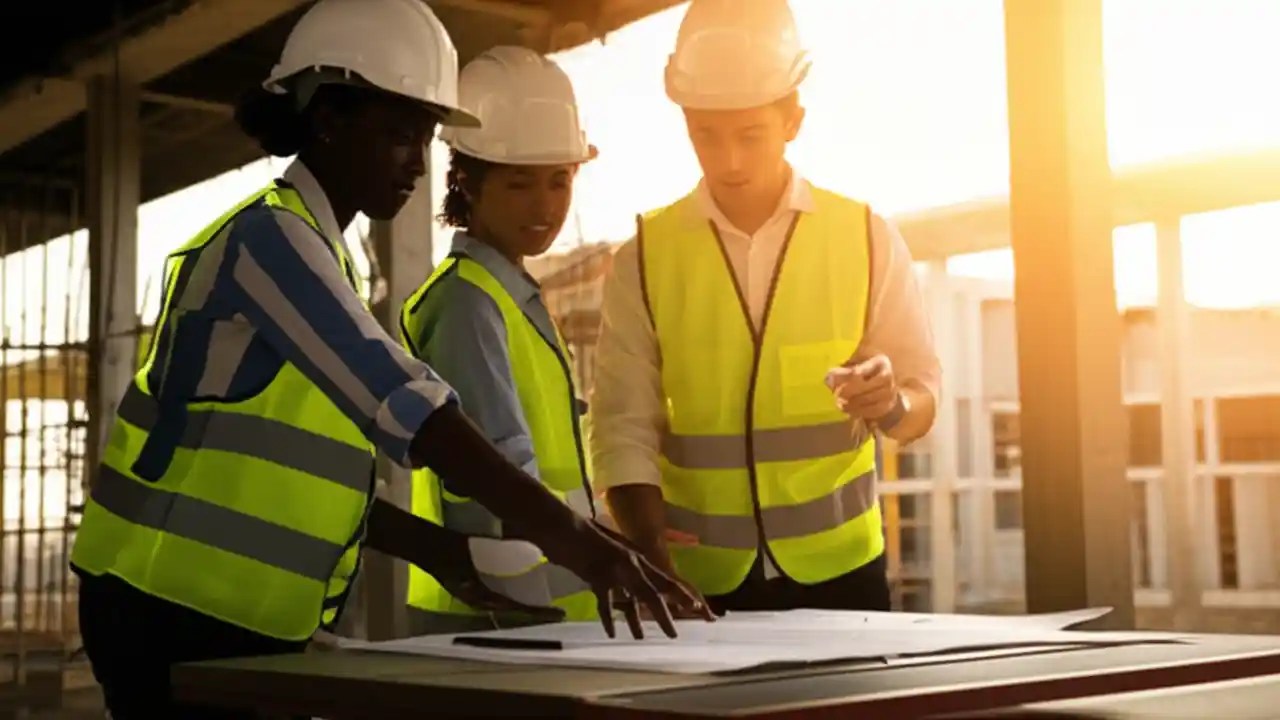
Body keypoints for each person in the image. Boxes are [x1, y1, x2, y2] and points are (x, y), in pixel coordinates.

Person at [68, 2, 707, 717]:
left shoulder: (319, 251)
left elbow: (296, 473)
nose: (417, 163)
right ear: (328, 119)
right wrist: (589, 550)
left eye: (427, 138)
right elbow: (407, 407)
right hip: (165, 605)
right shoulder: (269, 244)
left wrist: (434, 549)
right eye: (401, 134)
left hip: (227, 615)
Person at [589, 0, 942, 616]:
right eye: (706, 135)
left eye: (749, 135)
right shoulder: (642, 258)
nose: (727, 160)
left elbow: (921, 398)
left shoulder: (865, 236)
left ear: (793, 120)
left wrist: (891, 403)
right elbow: (622, 423)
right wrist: (647, 552)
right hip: (697, 579)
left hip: (844, 577)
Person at [400, 46, 665, 634]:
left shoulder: (511, 297)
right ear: (465, 178)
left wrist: (614, 541)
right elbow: (499, 482)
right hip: (496, 621)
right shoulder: (467, 303)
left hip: (543, 617)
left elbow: (550, 486)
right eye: (521, 185)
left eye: (559, 181)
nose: (546, 208)